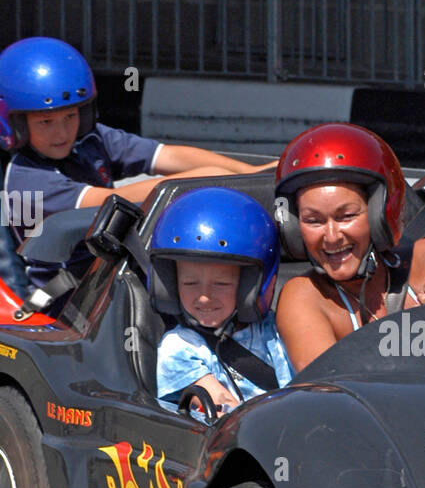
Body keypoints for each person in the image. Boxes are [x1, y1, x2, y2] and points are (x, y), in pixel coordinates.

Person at [0, 36, 276, 296]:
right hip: (65, 300)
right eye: (45, 122)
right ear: (16, 125)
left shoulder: (89, 139)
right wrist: (210, 179)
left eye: (70, 116)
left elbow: (167, 156)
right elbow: (107, 201)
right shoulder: (27, 179)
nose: (62, 132)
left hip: (108, 275)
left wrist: (251, 173)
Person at [273, 122, 425, 372]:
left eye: (346, 216)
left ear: (378, 214)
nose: (332, 236)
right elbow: (329, 391)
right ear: (293, 226)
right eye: (313, 220)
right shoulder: (303, 297)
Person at [150, 187, 293, 416]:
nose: (204, 296)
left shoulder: (276, 330)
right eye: (190, 284)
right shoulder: (179, 347)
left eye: (221, 284)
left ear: (250, 285)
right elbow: (220, 405)